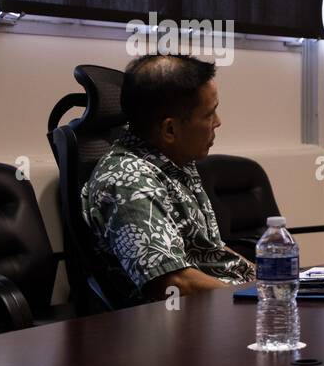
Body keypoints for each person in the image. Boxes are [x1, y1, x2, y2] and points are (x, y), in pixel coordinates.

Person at [82, 54, 254, 303]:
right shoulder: (128, 182)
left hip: (227, 304)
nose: (218, 122)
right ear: (170, 130)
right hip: (188, 324)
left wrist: (271, 281)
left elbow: (210, 252)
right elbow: (172, 283)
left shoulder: (174, 161)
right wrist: (258, 298)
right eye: (209, 114)